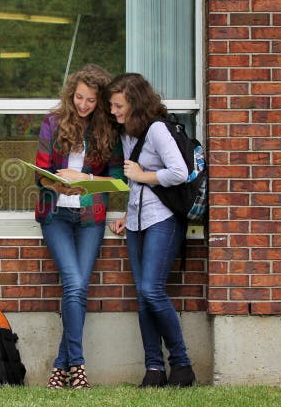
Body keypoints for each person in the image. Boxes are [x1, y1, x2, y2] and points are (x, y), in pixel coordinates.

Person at [34, 64, 124, 389]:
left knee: (77, 289)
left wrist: (86, 180)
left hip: (90, 216)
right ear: (71, 94)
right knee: (74, 283)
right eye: (79, 97)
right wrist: (57, 185)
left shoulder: (107, 130)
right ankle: (79, 367)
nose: (83, 105)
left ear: (99, 102)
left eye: (90, 100)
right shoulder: (53, 122)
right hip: (55, 214)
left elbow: (117, 177)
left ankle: (61, 367)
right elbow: (40, 172)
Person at [107, 73, 196, 388]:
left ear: (134, 101)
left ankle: (182, 366)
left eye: (118, 105)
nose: (114, 111)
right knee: (143, 297)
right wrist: (126, 214)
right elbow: (134, 183)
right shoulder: (127, 133)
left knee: (151, 290)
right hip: (136, 222)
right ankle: (154, 370)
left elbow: (179, 173)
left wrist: (143, 175)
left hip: (163, 219)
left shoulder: (157, 129)